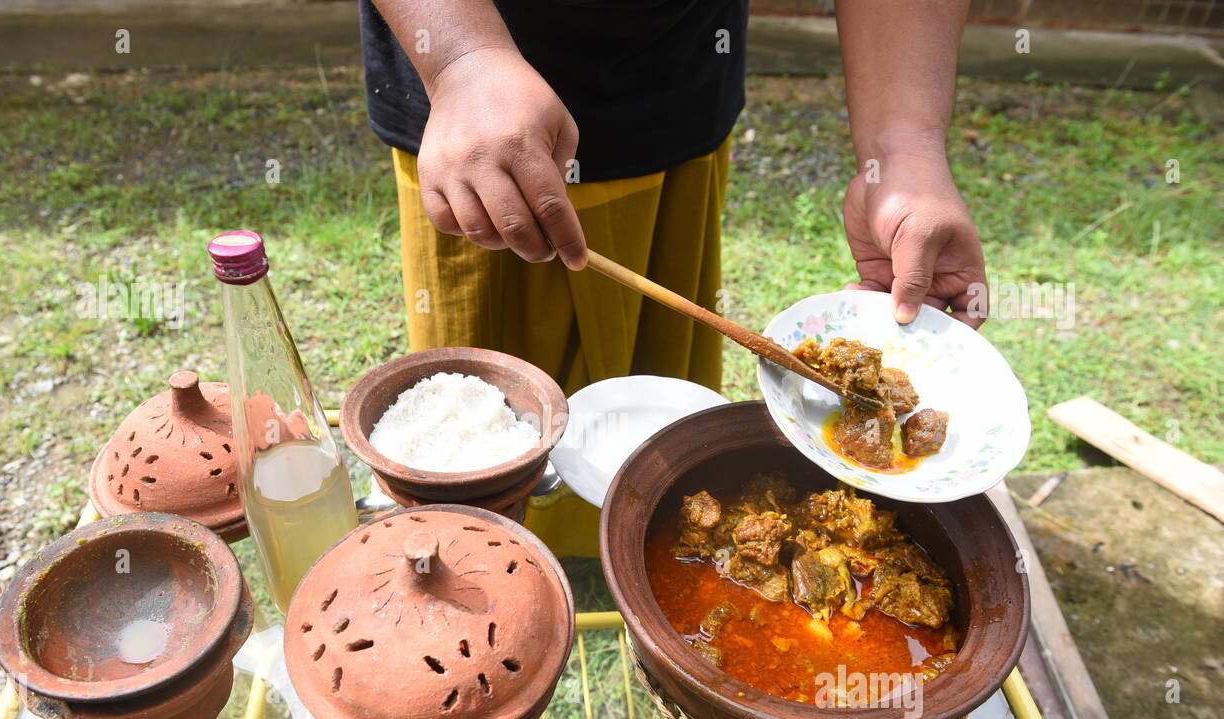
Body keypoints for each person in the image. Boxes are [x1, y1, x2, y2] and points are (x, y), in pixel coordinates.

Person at [358, 0, 988, 555]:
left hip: (676, 86)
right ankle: (481, 538)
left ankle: (633, 533)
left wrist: (904, 153)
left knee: (660, 377)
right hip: (464, 106)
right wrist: (461, 60)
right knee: (486, 388)